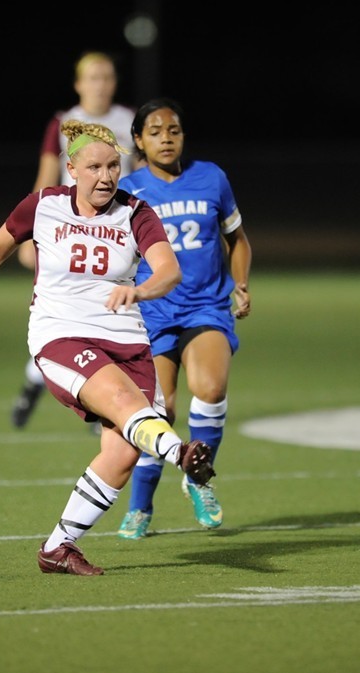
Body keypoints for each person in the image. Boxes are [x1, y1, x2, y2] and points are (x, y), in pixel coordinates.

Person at [0, 120, 215, 576]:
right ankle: (181, 454)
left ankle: (58, 547)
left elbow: (168, 272)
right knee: (127, 404)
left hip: (128, 342)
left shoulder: (136, 213)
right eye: (94, 167)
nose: (106, 176)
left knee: (123, 452)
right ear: (71, 169)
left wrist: (141, 292)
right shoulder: (44, 206)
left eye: (113, 166)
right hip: (61, 335)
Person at [114, 98, 252, 540]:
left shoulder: (211, 177)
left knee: (210, 389)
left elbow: (238, 240)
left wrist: (242, 284)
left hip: (205, 307)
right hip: (152, 313)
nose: (166, 138)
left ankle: (198, 478)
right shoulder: (128, 190)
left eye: (173, 130)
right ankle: (140, 506)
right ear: (138, 140)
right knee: (160, 411)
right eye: (154, 132)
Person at [11, 51, 140, 429]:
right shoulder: (63, 122)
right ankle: (38, 383)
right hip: (69, 235)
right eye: (94, 77)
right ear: (79, 84)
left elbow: (142, 177)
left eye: (107, 77)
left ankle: (104, 405)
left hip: (117, 232)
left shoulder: (128, 120)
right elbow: (45, 180)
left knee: (115, 318)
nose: (101, 84)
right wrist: (27, 235)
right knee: (65, 317)